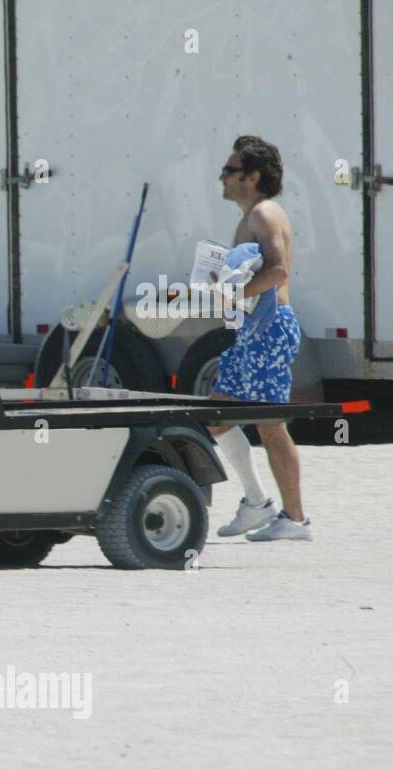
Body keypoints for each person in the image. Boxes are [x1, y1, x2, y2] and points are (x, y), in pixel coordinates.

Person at [206, 135, 310, 542]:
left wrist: (234, 293)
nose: (223, 177)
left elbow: (279, 271)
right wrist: (224, 283)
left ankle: (296, 520)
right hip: (253, 329)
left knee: (270, 425)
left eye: (230, 171)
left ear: (253, 176)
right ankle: (256, 503)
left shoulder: (264, 214)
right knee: (217, 414)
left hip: (270, 329)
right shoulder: (250, 216)